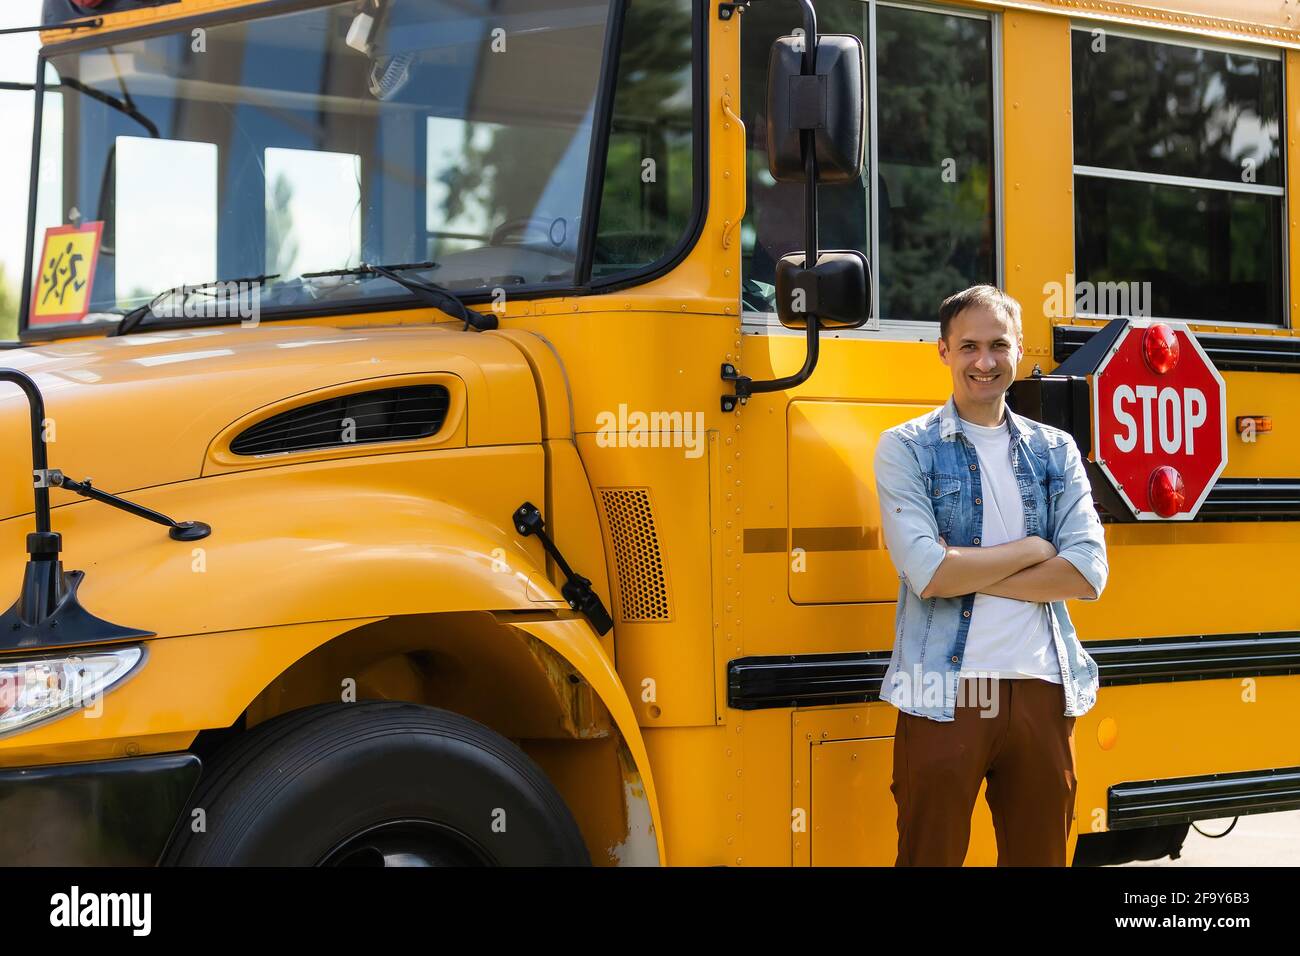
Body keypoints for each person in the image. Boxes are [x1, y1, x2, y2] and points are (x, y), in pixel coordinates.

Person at [873, 284, 1108, 866]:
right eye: (969, 345)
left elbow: (1086, 571)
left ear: (1019, 350)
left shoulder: (1055, 449)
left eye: (999, 345)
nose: (985, 361)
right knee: (930, 857)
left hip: (1042, 687)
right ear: (944, 351)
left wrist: (965, 570)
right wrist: (1032, 546)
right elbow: (926, 572)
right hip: (943, 692)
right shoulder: (906, 448)